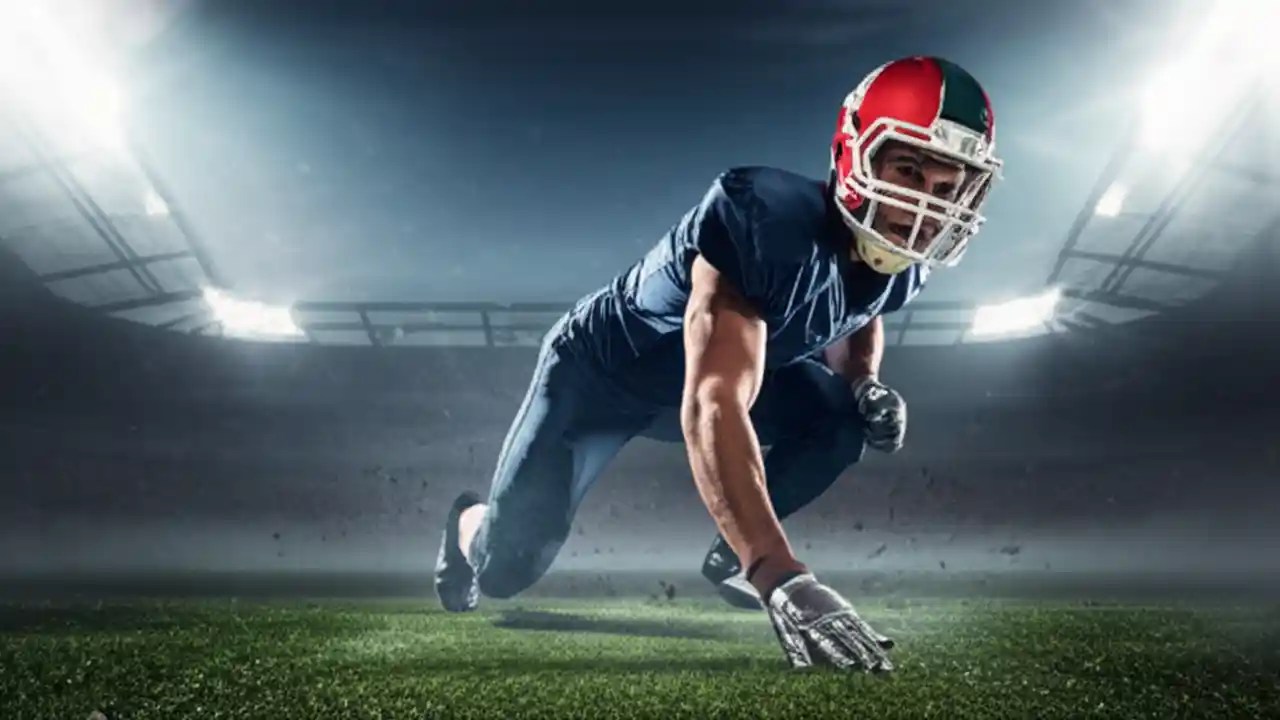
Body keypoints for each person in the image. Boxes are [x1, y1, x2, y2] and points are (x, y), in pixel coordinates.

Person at [435, 56, 1002, 671]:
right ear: (854, 153)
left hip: (725, 369)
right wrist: (778, 573)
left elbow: (861, 309)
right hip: (604, 376)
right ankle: (469, 521)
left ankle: (725, 556)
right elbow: (713, 403)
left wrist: (862, 381)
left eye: (947, 189)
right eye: (910, 170)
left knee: (842, 418)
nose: (923, 208)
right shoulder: (762, 217)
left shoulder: (902, 263)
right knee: (505, 569)